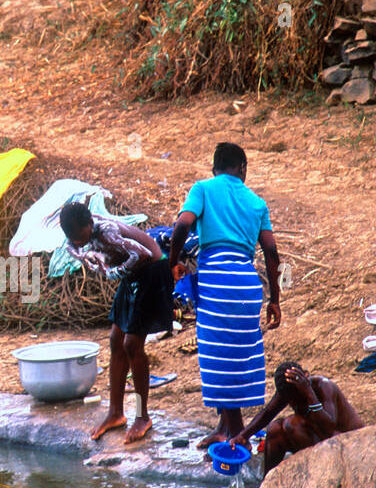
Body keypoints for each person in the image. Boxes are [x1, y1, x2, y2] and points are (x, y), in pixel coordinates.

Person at [168, 142, 281, 449]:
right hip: (246, 284)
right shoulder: (256, 202)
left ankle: (237, 435)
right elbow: (271, 252)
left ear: (214, 168)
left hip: (216, 280)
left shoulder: (203, 188)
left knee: (218, 356)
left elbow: (183, 225)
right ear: (242, 168)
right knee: (238, 355)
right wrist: (275, 299)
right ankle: (224, 427)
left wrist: (173, 260)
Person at [60, 200, 174, 444]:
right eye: (75, 240)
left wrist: (114, 272)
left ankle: (142, 416)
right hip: (133, 272)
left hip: (153, 270)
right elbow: (77, 250)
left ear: (90, 224)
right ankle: (115, 413)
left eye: (82, 237)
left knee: (132, 344)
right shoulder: (76, 237)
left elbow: (143, 254)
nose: (79, 243)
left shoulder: (108, 234)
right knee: (115, 339)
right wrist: (90, 258)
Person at [227, 361, 364, 476]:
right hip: (318, 440)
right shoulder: (288, 390)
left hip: (348, 444)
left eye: (297, 397)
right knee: (275, 428)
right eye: (290, 399)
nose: (294, 402)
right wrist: (243, 436)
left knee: (291, 425)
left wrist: (308, 392)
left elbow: (329, 427)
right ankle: (267, 481)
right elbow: (268, 412)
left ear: (306, 377)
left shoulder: (323, 386)